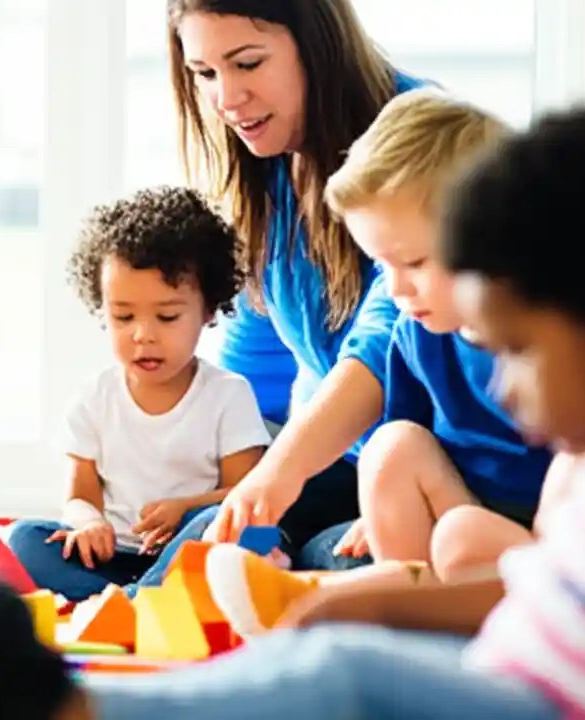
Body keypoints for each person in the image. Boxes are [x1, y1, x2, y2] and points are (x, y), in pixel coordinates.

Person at [0, 103, 585, 720]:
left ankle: (79, 710)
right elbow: (528, 587)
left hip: (532, 700)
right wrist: (375, 602)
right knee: (319, 654)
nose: (506, 388)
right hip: (510, 672)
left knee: (341, 675)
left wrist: (371, 611)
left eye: (521, 352)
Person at [154, 0, 427, 569]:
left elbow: (384, 342)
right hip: (327, 464)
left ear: (318, 44)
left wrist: (276, 476)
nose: (227, 99)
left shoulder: (420, 139)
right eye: (204, 74)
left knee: (328, 559)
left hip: (418, 474)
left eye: (248, 64)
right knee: (206, 536)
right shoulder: (273, 163)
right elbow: (255, 362)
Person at [321, 89, 553, 579]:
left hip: (551, 534)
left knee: (463, 534)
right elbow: (410, 438)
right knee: (390, 450)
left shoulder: (554, 335)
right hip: (461, 509)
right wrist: (379, 515)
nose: (397, 287)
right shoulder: (417, 333)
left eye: (415, 262)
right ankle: (414, 597)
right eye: (382, 265)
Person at [7, 187, 270, 601]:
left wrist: (186, 507)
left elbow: (245, 494)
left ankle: (123, 602)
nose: (143, 335)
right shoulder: (95, 396)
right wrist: (88, 523)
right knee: (24, 539)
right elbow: (78, 497)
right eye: (123, 316)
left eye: (167, 316)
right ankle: (141, 600)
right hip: (114, 556)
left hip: (188, 550)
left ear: (207, 309)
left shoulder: (228, 395)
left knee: (228, 524)